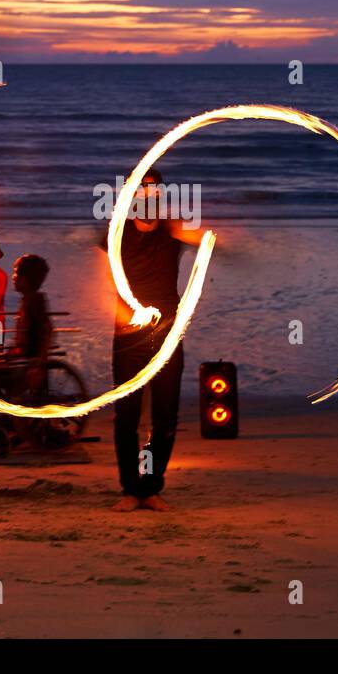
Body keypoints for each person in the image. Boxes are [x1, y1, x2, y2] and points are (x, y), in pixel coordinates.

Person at [107, 168, 203, 512]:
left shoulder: (173, 231)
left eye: (153, 188)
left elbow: (210, 238)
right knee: (127, 416)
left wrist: (216, 240)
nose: (147, 193)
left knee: (164, 417)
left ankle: (151, 486)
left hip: (167, 336)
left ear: (161, 194)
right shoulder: (116, 235)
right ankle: (130, 489)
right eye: (141, 188)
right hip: (128, 335)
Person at [10, 254, 53, 397]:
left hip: (25, 362)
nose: (13, 277)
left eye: (17, 273)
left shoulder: (34, 302)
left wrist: (38, 362)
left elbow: (47, 330)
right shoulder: (28, 301)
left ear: (27, 279)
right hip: (19, 358)